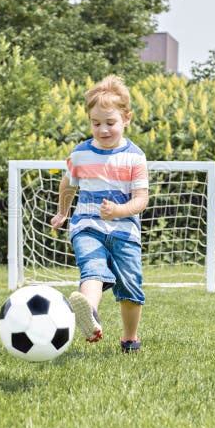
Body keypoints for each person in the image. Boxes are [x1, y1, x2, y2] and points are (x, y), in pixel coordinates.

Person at [50, 75, 149, 353]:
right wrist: (63, 212)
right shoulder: (80, 153)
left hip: (124, 231)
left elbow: (141, 200)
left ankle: (130, 337)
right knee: (92, 268)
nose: (103, 130)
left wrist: (119, 210)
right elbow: (68, 184)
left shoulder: (134, 157)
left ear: (126, 118)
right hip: (87, 225)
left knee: (130, 286)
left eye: (110, 123)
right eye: (96, 124)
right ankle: (89, 314)